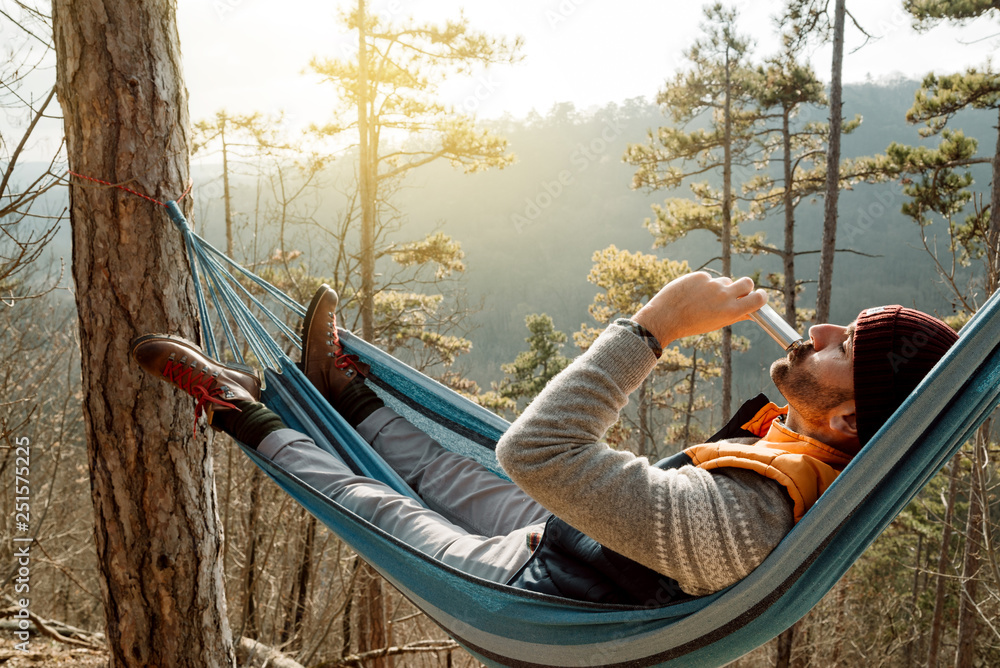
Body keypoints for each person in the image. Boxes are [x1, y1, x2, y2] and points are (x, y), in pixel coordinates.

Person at [130, 273, 958, 606]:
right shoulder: (807, 443)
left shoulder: (749, 519)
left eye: (843, 345)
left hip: (534, 593)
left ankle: (237, 405)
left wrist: (654, 325)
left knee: (371, 502)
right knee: (438, 467)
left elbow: (534, 451)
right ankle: (344, 394)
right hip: (578, 537)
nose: (816, 329)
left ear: (851, 420)